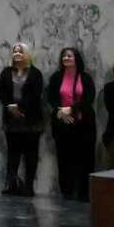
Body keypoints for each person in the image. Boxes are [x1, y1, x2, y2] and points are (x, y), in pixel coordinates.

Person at [47, 46, 95, 201]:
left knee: (85, 159)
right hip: (62, 124)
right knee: (64, 159)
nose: (66, 59)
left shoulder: (85, 77)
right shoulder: (56, 77)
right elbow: (51, 98)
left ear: (77, 59)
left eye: (69, 56)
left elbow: (89, 99)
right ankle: (66, 191)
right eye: (64, 56)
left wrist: (72, 109)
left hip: (84, 125)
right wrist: (61, 112)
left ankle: (83, 192)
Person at [0, 43, 44, 195]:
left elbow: (35, 94)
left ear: (27, 54)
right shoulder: (6, 72)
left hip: (31, 119)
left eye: (20, 51)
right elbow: (1, 92)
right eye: (15, 51)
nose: (17, 54)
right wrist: (10, 106)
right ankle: (12, 184)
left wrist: (20, 107)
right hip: (11, 120)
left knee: (31, 154)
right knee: (13, 153)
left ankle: (29, 186)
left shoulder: (35, 73)